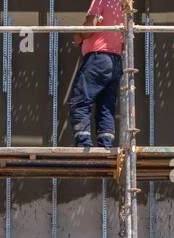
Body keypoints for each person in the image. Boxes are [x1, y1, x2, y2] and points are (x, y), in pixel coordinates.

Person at [69, 0, 125, 149]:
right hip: (115, 61)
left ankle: (84, 144)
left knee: (80, 102)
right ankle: (106, 145)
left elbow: (89, 28)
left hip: (97, 58)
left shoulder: (100, 1)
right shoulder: (123, 6)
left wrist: (79, 37)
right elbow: (124, 42)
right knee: (106, 106)